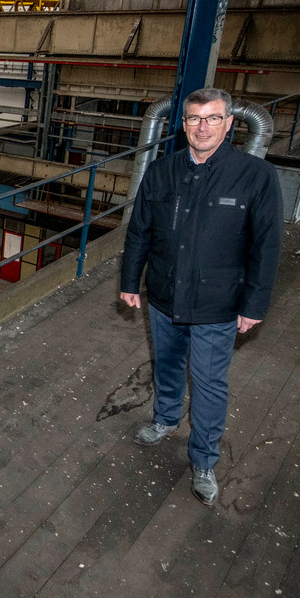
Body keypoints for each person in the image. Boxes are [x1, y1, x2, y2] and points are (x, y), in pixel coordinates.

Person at [120, 86, 282, 506]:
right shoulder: (162, 171)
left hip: (219, 303)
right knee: (167, 364)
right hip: (164, 294)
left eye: (212, 118)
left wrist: (254, 304)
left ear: (229, 124)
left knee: (209, 383)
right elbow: (139, 231)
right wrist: (128, 281)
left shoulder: (255, 175)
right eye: (194, 118)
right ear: (184, 125)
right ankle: (165, 419)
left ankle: (205, 459)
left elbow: (266, 246)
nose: (202, 127)